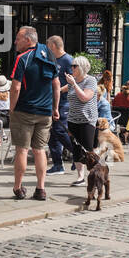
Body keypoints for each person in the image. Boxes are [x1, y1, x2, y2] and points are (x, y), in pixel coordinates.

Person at [8, 26, 59, 201]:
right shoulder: (49, 55)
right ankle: (41, 189)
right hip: (45, 113)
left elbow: (15, 87)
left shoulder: (22, 58)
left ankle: (18, 187)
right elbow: (56, 85)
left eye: (18, 38)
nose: (15, 42)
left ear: (28, 40)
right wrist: (55, 108)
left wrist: (11, 108)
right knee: (40, 150)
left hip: (24, 111)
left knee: (21, 150)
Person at [65, 55, 99, 188]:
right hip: (72, 119)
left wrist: (73, 84)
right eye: (72, 66)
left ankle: (94, 175)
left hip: (87, 120)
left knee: (88, 150)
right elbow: (63, 90)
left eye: (74, 66)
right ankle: (80, 177)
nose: (72, 68)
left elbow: (85, 97)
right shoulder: (71, 81)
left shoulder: (90, 80)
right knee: (76, 150)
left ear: (82, 67)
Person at [45, 35, 74, 175]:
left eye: (48, 46)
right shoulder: (51, 60)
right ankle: (58, 164)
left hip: (63, 102)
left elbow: (74, 82)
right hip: (51, 101)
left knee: (60, 130)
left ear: (53, 46)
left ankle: (77, 153)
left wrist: (59, 90)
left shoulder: (68, 60)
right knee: (53, 134)